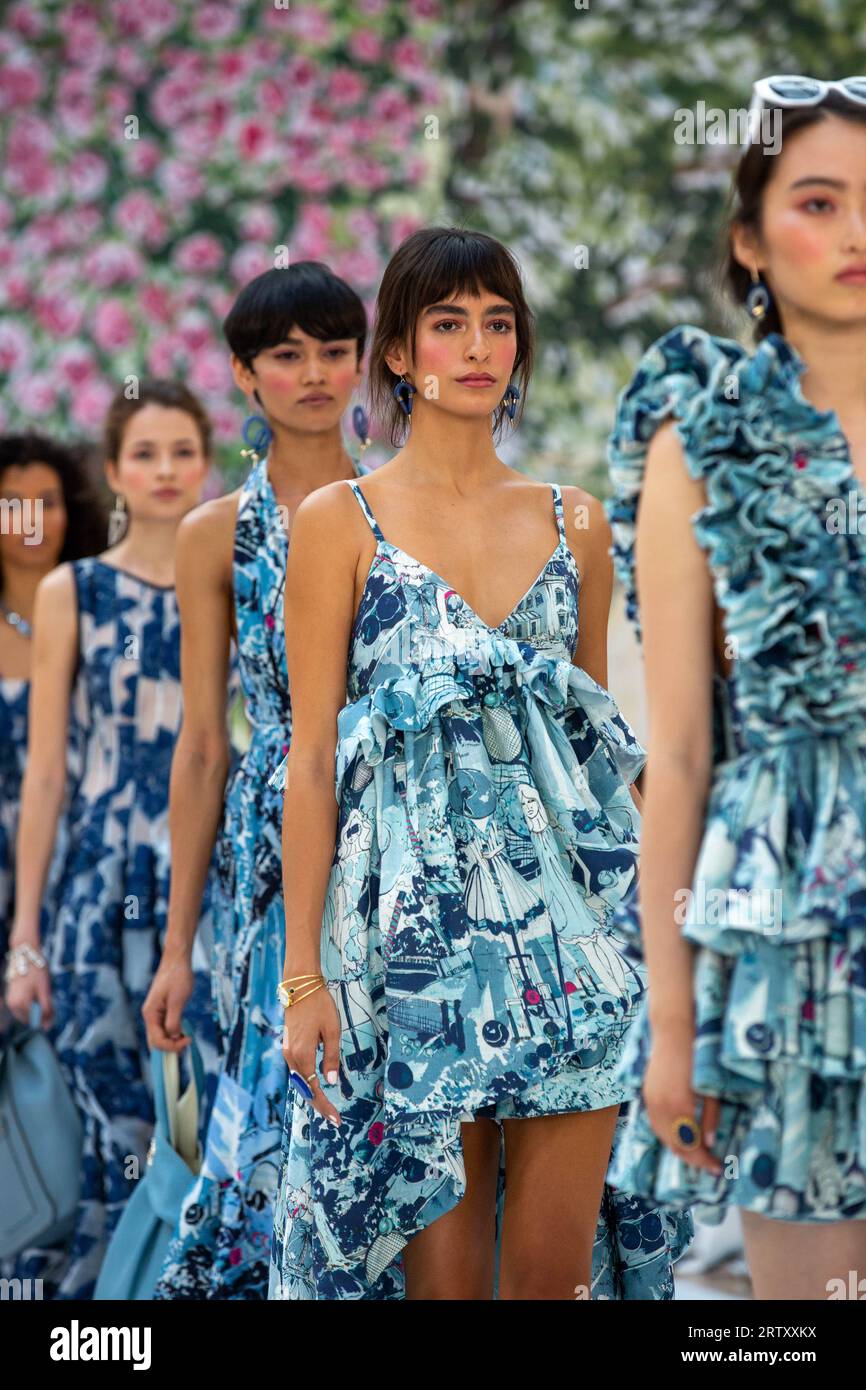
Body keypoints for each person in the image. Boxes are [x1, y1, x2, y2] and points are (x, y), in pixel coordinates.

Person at [267, 226, 689, 1301]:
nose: (477, 345)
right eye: (446, 323)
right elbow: (310, 759)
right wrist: (304, 977)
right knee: (445, 1289)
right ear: (399, 354)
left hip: (580, 947)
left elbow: (597, 749)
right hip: (412, 955)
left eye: (497, 322)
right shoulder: (337, 520)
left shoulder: (573, 520)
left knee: (549, 1287)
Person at [605, 78, 866, 1299]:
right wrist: (671, 1023)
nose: (856, 233)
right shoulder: (696, 438)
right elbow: (681, 751)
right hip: (784, 928)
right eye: (819, 202)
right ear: (751, 240)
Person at [147, 264, 370, 1299]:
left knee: (393, 1101)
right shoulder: (214, 534)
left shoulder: (398, 505)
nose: (313, 372)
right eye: (286, 353)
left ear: (363, 361)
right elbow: (202, 743)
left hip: (396, 824)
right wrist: (175, 946)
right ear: (245, 375)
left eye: (332, 349)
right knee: (276, 1100)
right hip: (269, 839)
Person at [4, 381, 222, 1299]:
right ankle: (99, 1317)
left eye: (183, 451)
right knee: (110, 1109)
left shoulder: (243, 569)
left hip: (212, 872)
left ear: (207, 460)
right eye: (146, 453)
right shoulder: (73, 590)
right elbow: (46, 773)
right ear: (114, 469)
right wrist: (25, 938)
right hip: (95, 883)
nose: (167, 470)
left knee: (204, 1109)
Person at [0, 434, 104, 984]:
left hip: (88, 853)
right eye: (13, 505)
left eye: (48, 502)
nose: (32, 519)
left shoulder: (108, 618)